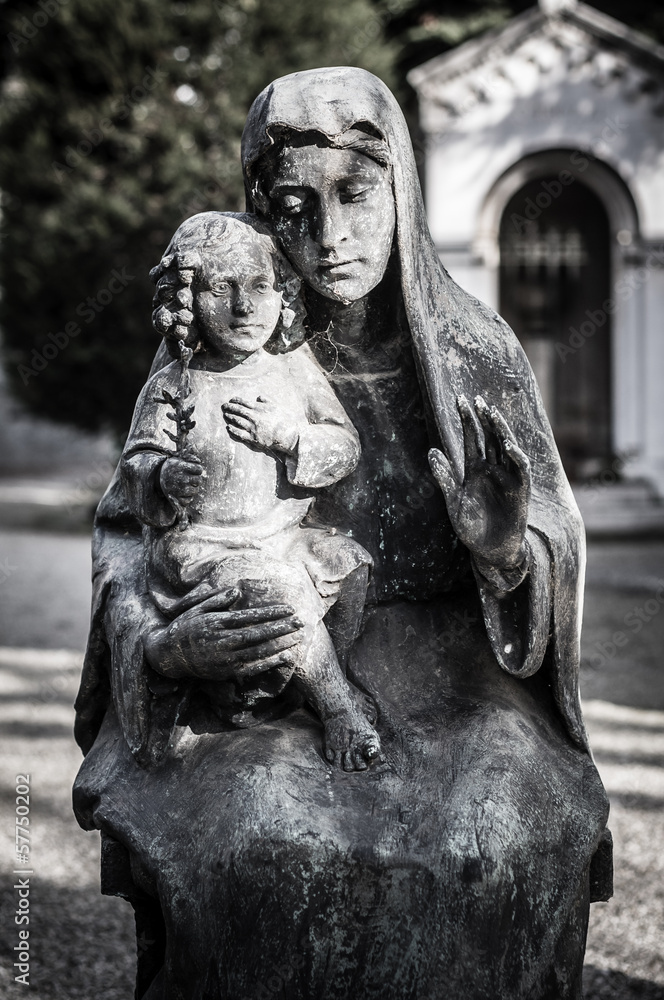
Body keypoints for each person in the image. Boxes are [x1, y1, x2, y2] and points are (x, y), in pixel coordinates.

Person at [73, 67, 611, 1000]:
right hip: (263, 679)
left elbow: (550, 534)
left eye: (356, 194)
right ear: (260, 217)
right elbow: (128, 534)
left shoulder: (473, 350)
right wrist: (162, 647)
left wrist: (503, 549)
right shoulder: (206, 358)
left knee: (497, 829)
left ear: (402, 188)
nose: (330, 236)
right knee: (262, 835)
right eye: (294, 209)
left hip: (461, 674)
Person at [121, 211, 380, 769]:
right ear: (188, 299)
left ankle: (302, 681)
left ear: (282, 293)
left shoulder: (293, 370)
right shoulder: (175, 385)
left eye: (260, 286)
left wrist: (288, 438)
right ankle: (338, 708)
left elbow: (344, 446)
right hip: (204, 547)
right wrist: (162, 476)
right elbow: (136, 464)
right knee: (277, 590)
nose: (244, 306)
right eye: (222, 288)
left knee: (349, 564)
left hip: (283, 535)